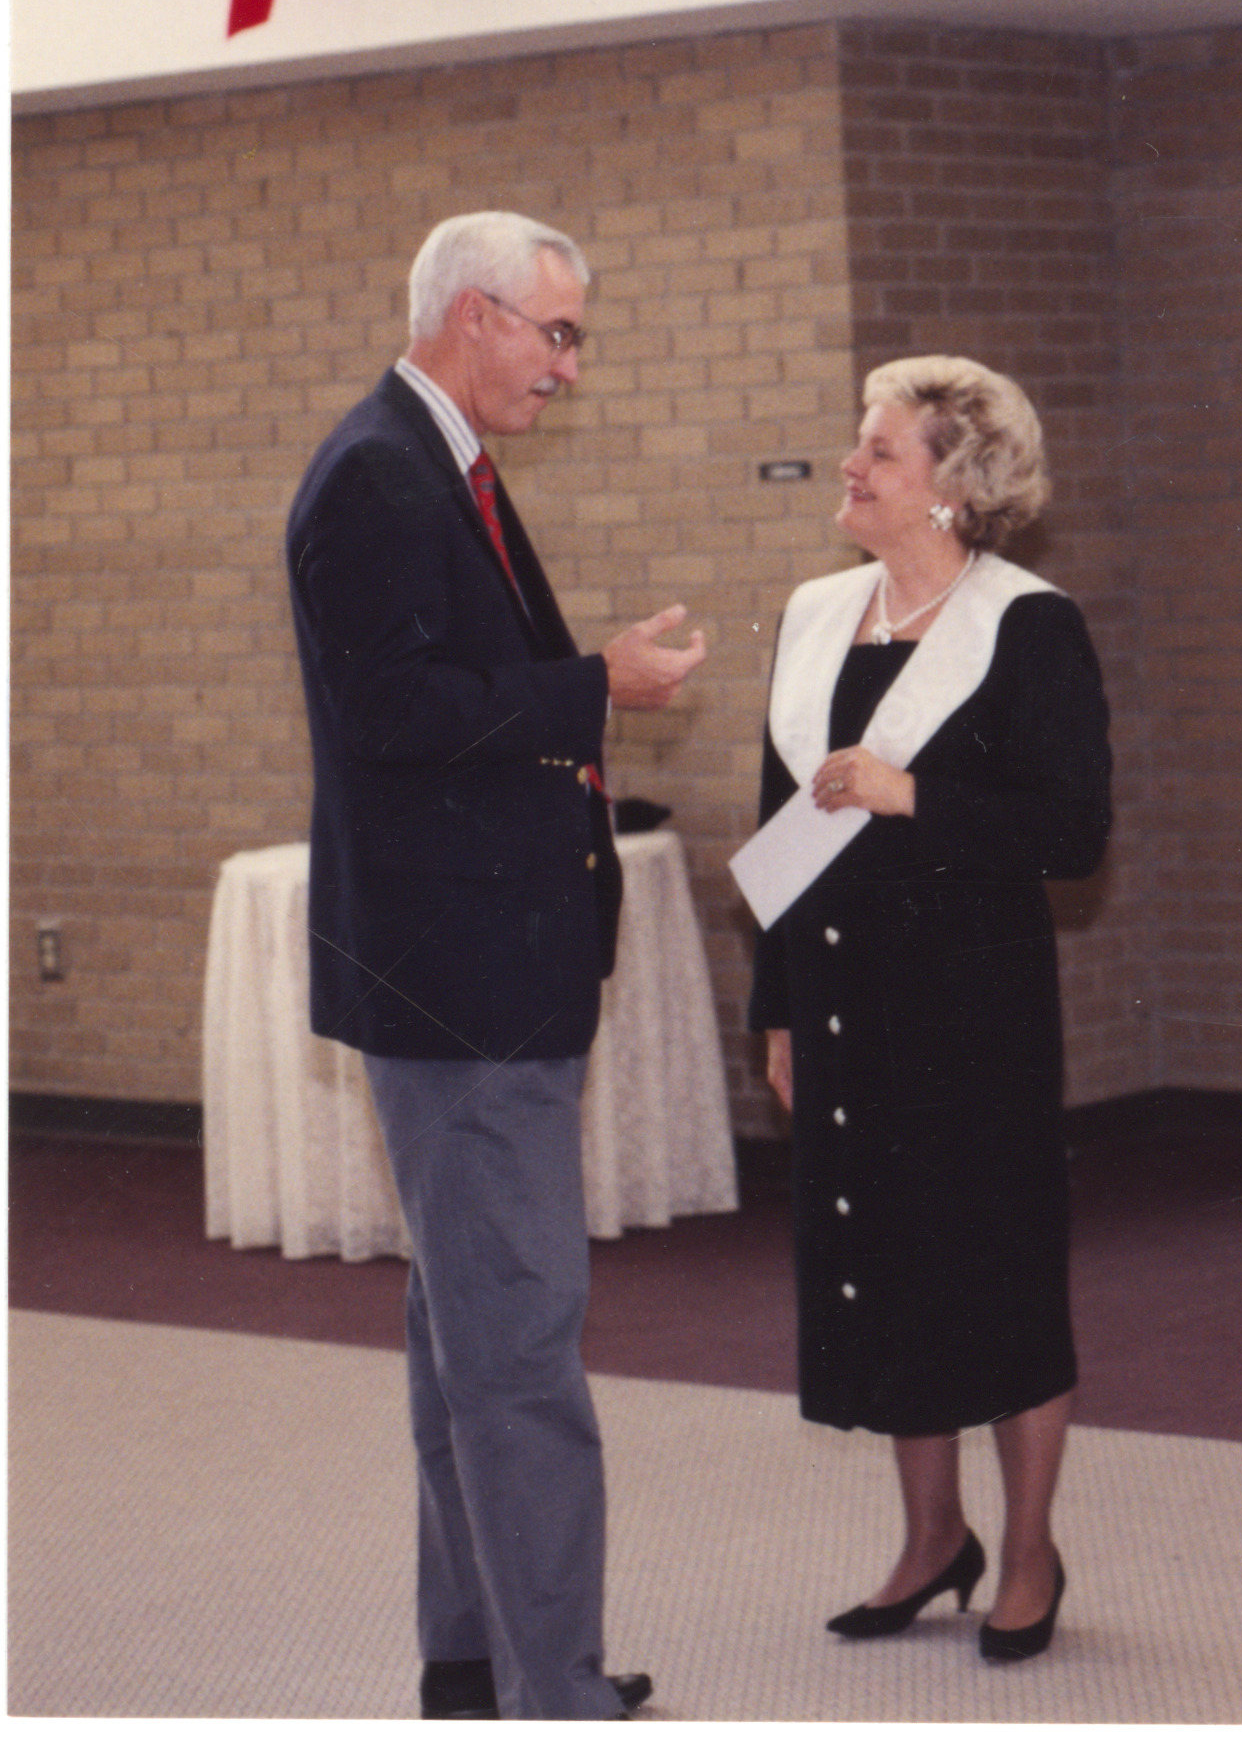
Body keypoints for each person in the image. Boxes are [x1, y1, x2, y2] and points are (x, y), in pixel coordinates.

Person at [287, 210, 706, 1720]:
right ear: (474, 317)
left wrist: (579, 677)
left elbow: (439, 691)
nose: (570, 369)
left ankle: (477, 1659)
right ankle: (550, 1689)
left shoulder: (422, 461)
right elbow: (397, 716)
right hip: (459, 984)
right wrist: (596, 684)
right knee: (518, 1347)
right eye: (559, 333)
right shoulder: (381, 476)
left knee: (464, 1336)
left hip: (471, 967)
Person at [746, 356, 1110, 1663]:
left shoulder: (1027, 625)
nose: (851, 467)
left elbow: (1073, 831)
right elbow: (775, 827)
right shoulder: (812, 615)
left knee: (992, 1273)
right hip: (842, 1001)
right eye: (859, 444)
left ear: (953, 489)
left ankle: (1024, 1552)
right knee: (885, 1270)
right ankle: (927, 1539)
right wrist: (777, 1011)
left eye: (880, 452)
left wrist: (916, 800)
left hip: (972, 1010)